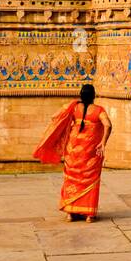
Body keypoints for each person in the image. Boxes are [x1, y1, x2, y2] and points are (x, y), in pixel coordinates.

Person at [33, 83, 112, 222]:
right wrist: (103, 142)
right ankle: (89, 215)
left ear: (81, 95)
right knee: (90, 181)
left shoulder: (74, 107)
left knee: (71, 179)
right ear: (94, 96)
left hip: (73, 151)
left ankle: (70, 213)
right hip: (90, 152)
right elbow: (108, 125)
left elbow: (55, 117)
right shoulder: (99, 110)